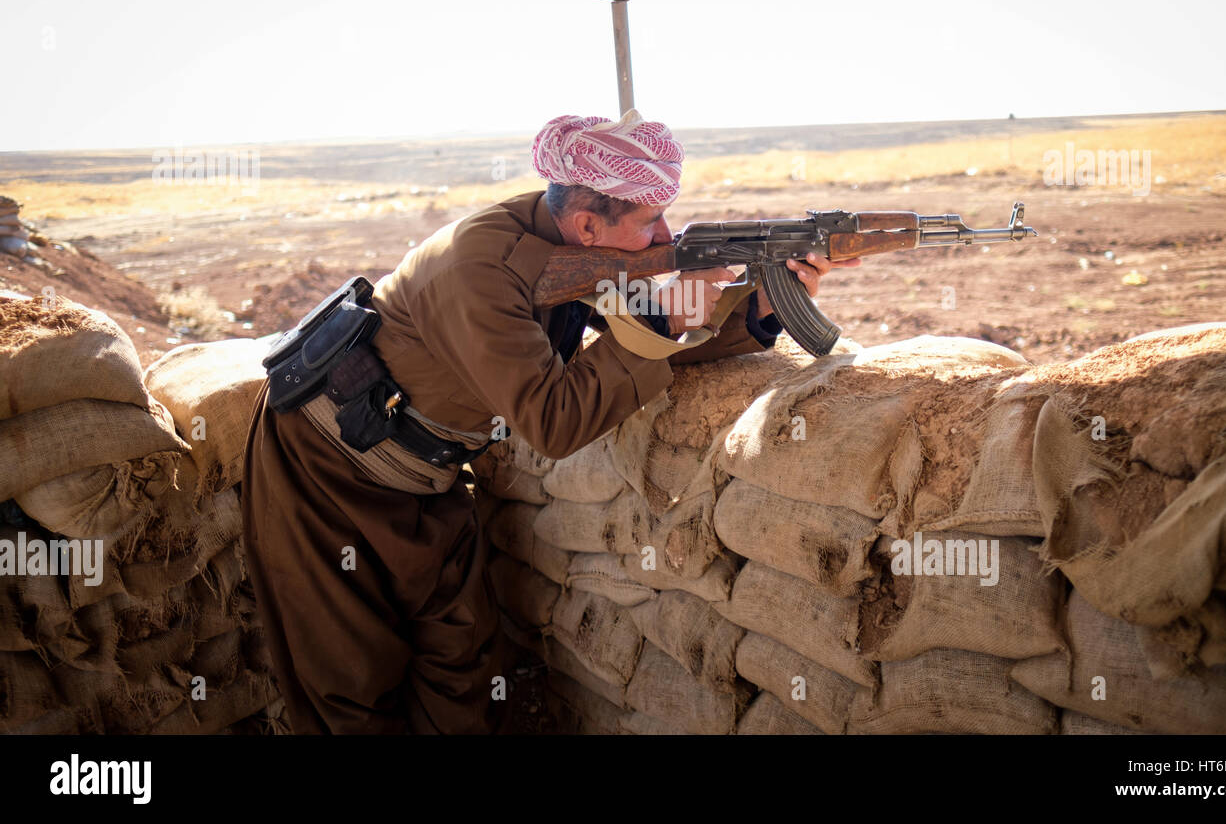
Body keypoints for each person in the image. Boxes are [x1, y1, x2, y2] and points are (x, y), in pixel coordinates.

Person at [238, 108, 857, 733]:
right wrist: (664, 319)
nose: (666, 235)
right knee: (349, 683)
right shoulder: (478, 269)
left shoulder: (576, 248)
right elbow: (553, 422)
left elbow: (647, 341)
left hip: (426, 473)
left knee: (461, 659)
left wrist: (763, 302)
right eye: (651, 222)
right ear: (589, 223)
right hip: (324, 467)